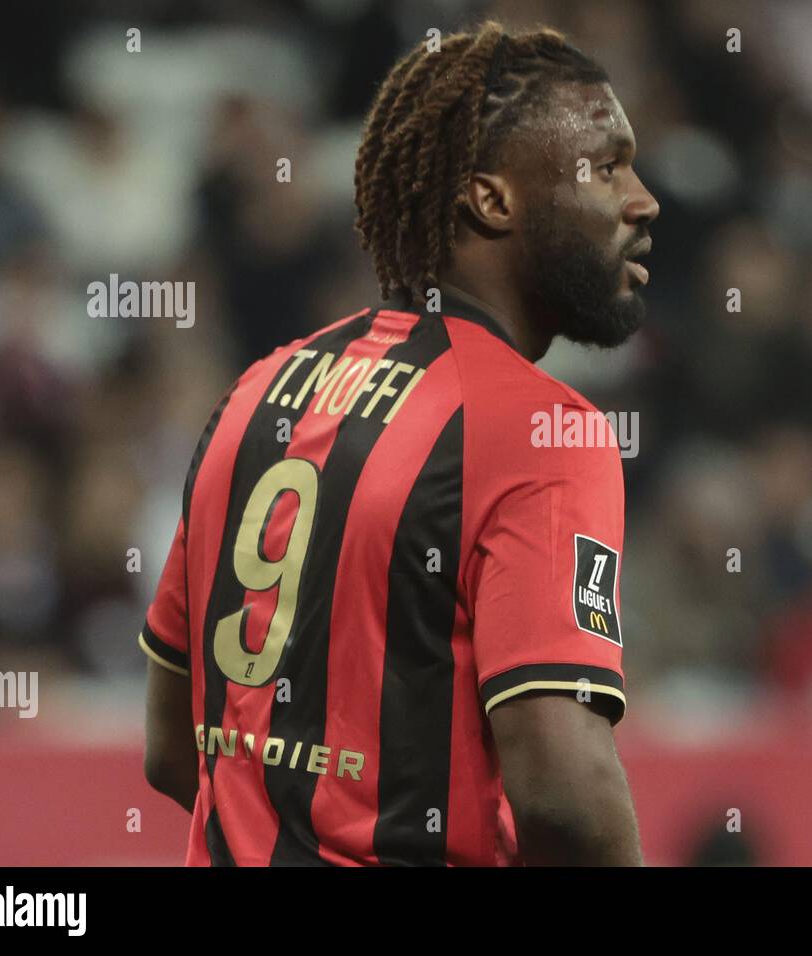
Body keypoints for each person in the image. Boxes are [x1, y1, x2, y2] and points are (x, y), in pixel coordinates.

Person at [140, 19, 659, 866]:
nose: (642, 198)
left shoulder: (254, 393)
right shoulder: (545, 429)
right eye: (605, 166)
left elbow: (173, 748)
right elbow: (566, 797)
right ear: (493, 199)